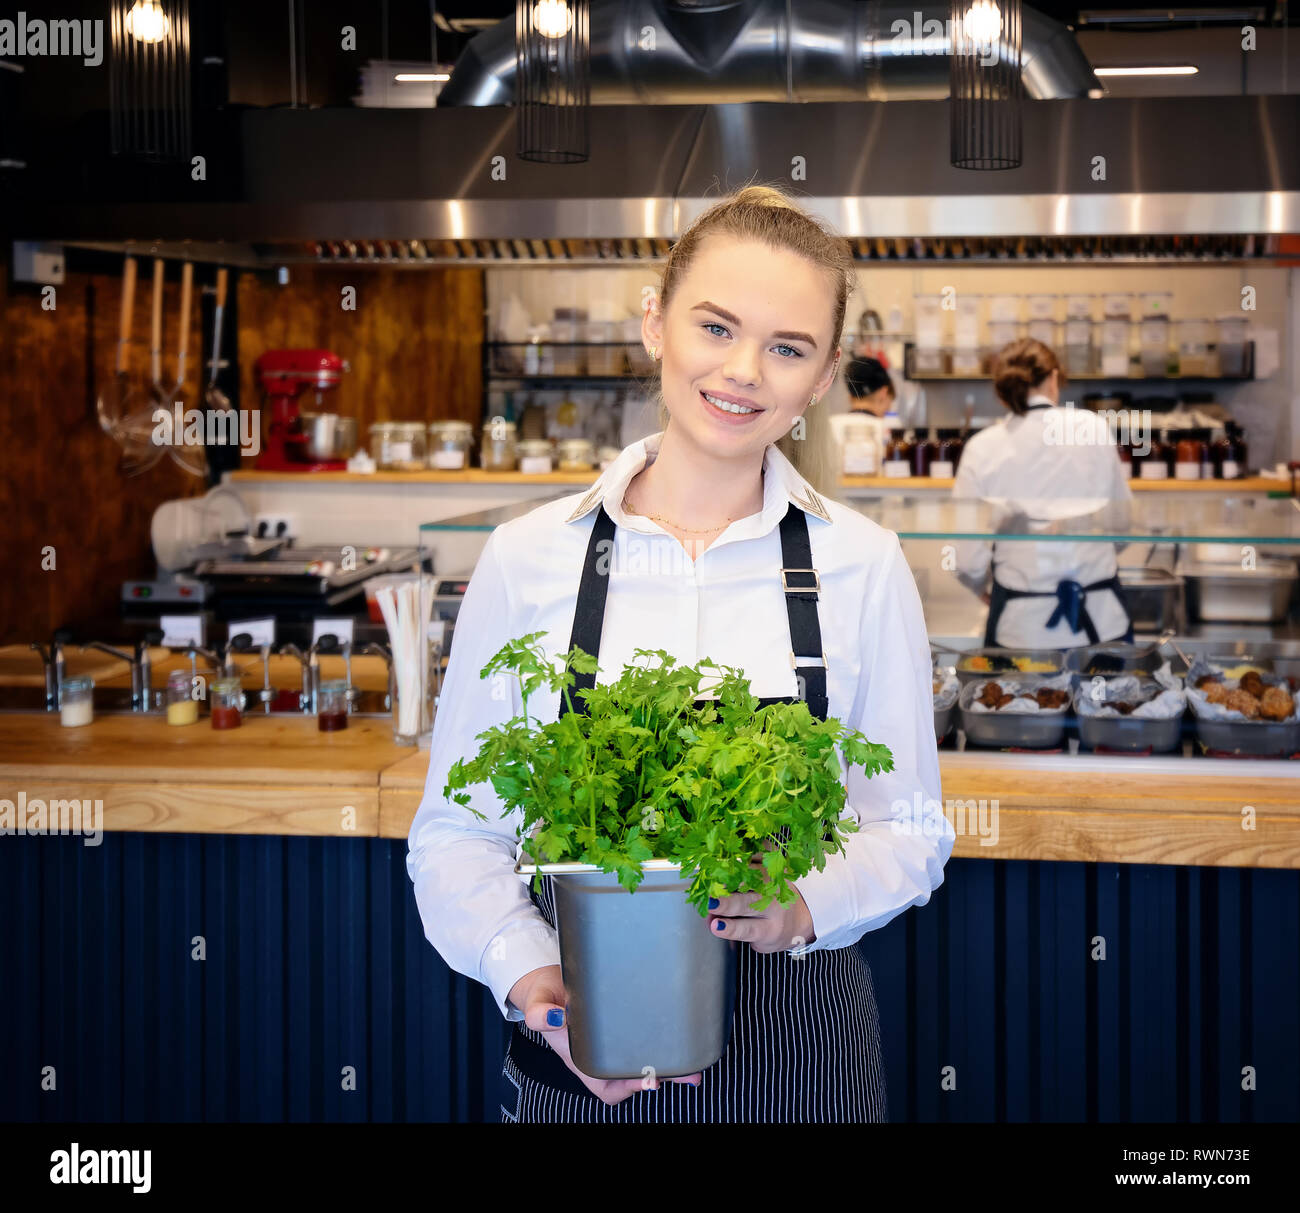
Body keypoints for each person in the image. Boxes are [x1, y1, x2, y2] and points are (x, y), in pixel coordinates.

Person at [407, 185, 954, 1124]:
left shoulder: (861, 566)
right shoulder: (529, 557)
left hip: (801, 1050)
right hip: (582, 1035)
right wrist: (533, 980)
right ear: (656, 324)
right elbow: (458, 835)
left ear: (821, 380)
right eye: (716, 327)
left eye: (787, 347)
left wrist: (799, 907)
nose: (744, 371)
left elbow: (909, 829)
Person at [951, 338, 1134, 648]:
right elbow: (1123, 527)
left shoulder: (983, 447)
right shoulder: (1093, 427)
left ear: (1003, 391)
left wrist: (981, 586)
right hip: (1102, 625)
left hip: (1022, 629)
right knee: (1109, 698)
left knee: (1018, 699)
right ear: (1053, 379)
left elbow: (966, 558)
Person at [828, 356, 896, 474]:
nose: (889, 407)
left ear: (850, 396)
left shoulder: (828, 426)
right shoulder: (891, 433)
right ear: (884, 393)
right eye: (891, 400)